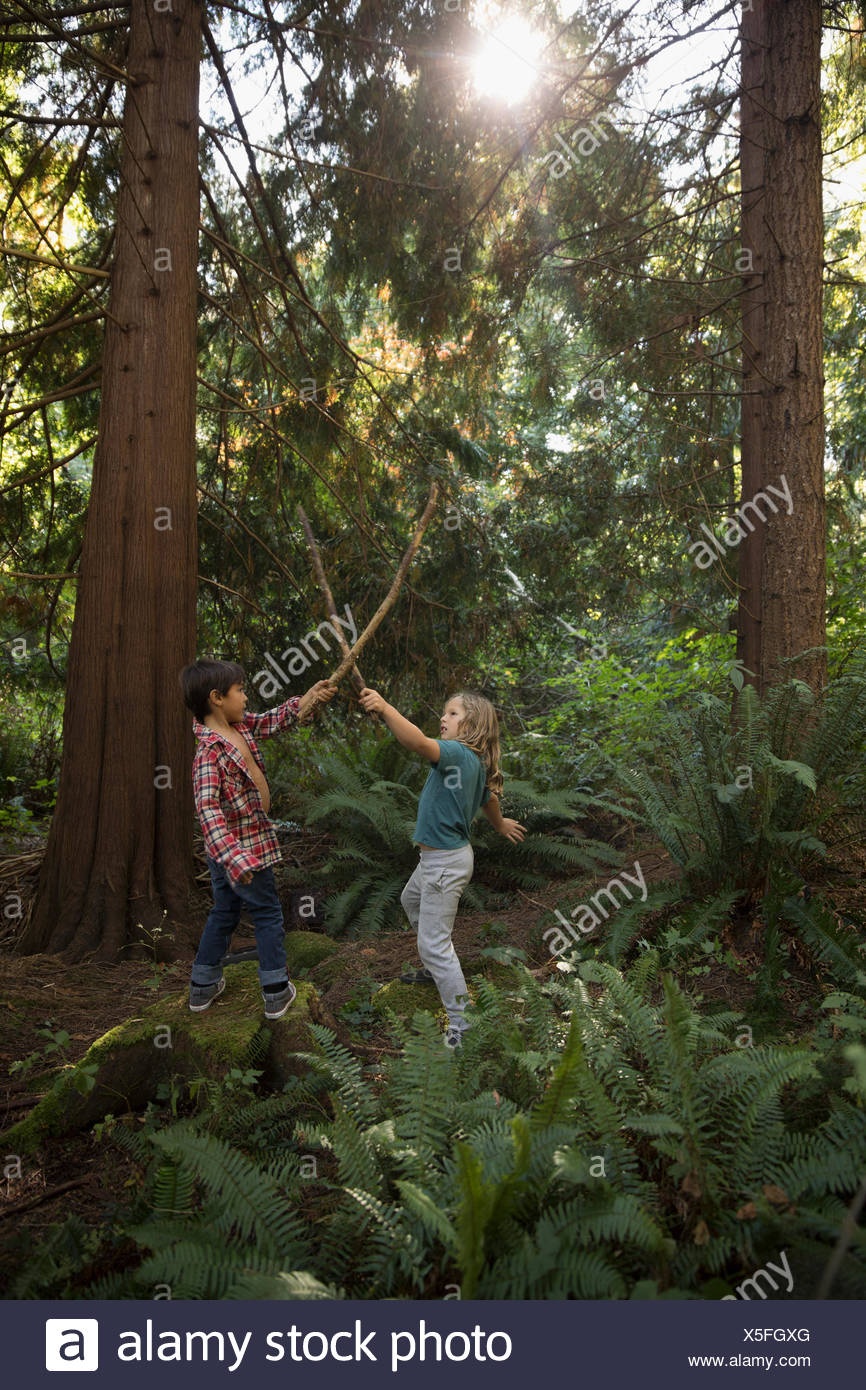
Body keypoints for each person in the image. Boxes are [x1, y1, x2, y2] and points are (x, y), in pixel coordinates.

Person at [357, 686, 526, 1049]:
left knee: (435, 944)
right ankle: (437, 971)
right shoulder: (472, 763)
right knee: (410, 900)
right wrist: (499, 825)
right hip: (440, 860)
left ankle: (462, 1022)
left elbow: (418, 742)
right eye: (444, 713)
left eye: (452, 714)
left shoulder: (456, 753)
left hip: (444, 864)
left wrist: (386, 707)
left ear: (472, 726)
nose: (443, 719)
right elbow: (489, 798)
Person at [179, 658, 336, 1019]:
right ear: (217, 698)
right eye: (240, 690)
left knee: (224, 911)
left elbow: (271, 721)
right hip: (242, 852)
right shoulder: (208, 753)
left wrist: (308, 699)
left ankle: (202, 986)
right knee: (267, 914)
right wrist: (236, 859)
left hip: (240, 850)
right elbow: (208, 812)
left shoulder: (239, 726)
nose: (247, 697)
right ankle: (276, 991)